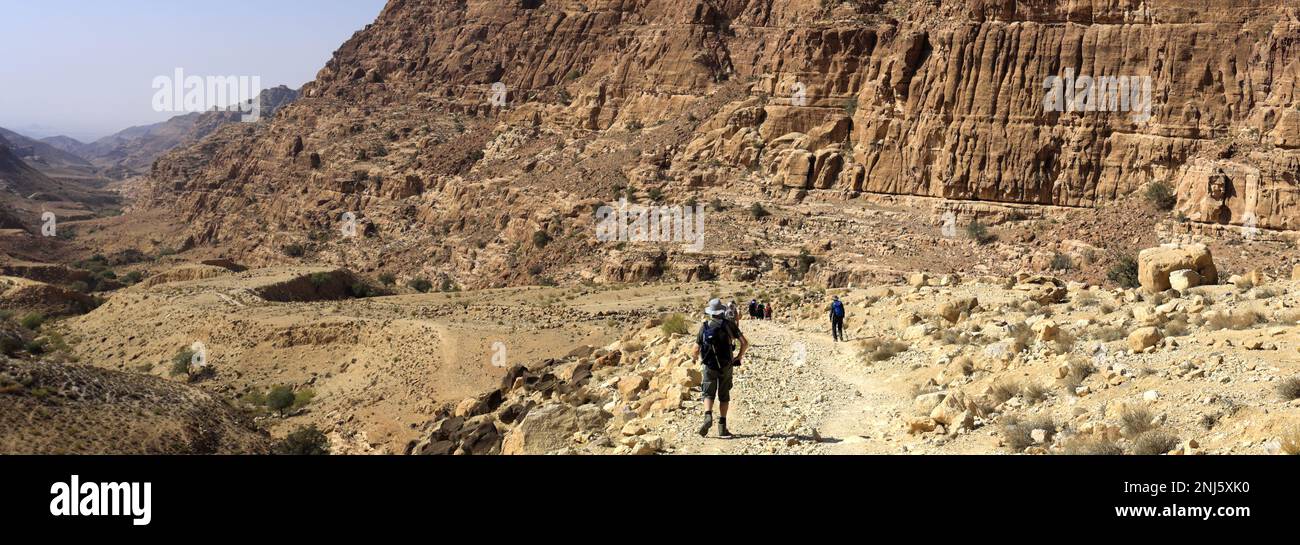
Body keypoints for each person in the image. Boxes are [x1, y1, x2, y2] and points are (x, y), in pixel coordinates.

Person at [695, 299, 748, 438]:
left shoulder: (704, 326)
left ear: (710, 312)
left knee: (708, 393)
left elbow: (695, 349)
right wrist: (738, 357)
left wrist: (700, 359)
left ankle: (707, 415)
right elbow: (744, 343)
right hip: (726, 365)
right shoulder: (729, 325)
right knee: (724, 395)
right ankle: (722, 427)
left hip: (709, 365)